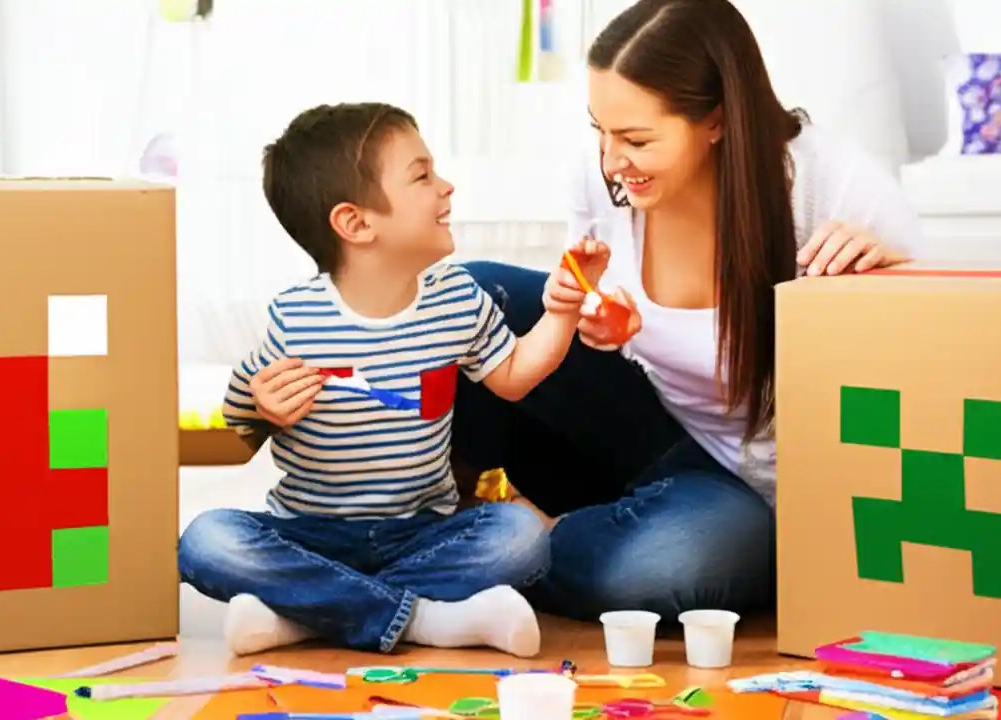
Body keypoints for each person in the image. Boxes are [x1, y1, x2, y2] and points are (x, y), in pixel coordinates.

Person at [450, 0, 923, 622]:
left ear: (717, 122)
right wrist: (583, 316)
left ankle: (504, 550)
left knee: (673, 568)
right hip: (649, 432)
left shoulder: (827, 183)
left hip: (756, 491)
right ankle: (455, 523)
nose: (611, 158)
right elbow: (588, 309)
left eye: (637, 138)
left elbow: (939, 351)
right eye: (600, 129)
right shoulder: (603, 179)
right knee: (475, 296)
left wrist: (895, 273)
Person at [176, 101, 604, 658]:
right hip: (310, 534)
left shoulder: (455, 299)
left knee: (520, 538)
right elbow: (240, 415)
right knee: (206, 541)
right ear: (356, 223)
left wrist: (563, 311)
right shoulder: (297, 316)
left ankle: (305, 615)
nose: (446, 187)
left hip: (422, 531)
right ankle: (427, 619)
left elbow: (515, 376)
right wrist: (262, 405)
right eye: (422, 176)